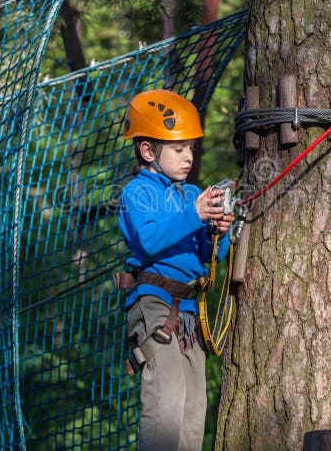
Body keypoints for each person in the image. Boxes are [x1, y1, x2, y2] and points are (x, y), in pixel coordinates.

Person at [116, 88, 234, 450]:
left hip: (189, 313)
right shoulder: (138, 192)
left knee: (193, 408)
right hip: (154, 305)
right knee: (166, 400)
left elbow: (206, 258)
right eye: (178, 148)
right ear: (148, 151)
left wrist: (218, 232)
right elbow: (149, 241)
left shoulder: (191, 194)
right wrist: (195, 214)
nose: (188, 157)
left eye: (191, 148)